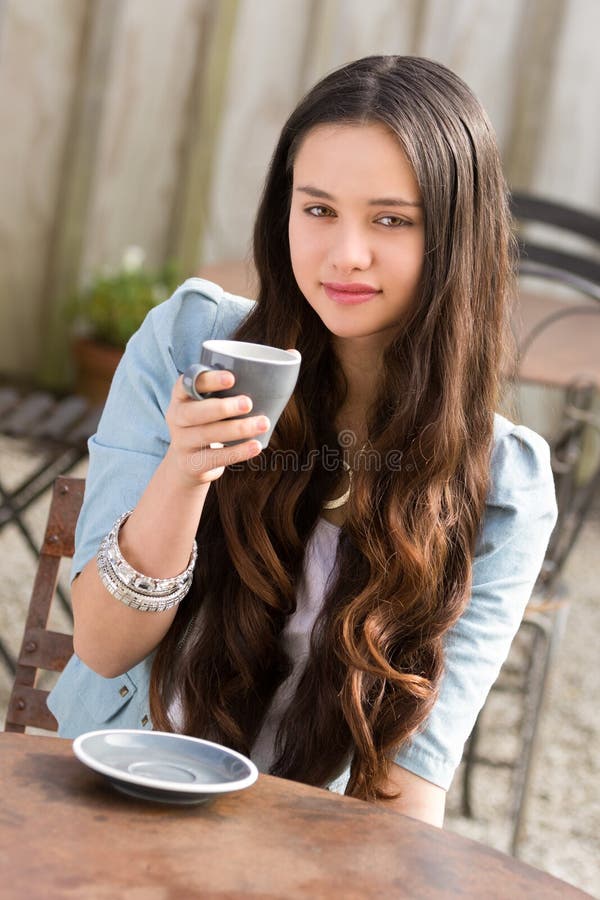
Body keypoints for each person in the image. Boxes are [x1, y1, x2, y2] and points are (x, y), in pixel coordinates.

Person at [48, 55, 557, 826]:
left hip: (292, 845)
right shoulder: (190, 346)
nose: (344, 254)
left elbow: (406, 792)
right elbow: (103, 645)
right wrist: (186, 475)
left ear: (456, 239)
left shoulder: (504, 487)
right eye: (317, 209)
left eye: (392, 219)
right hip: (109, 794)